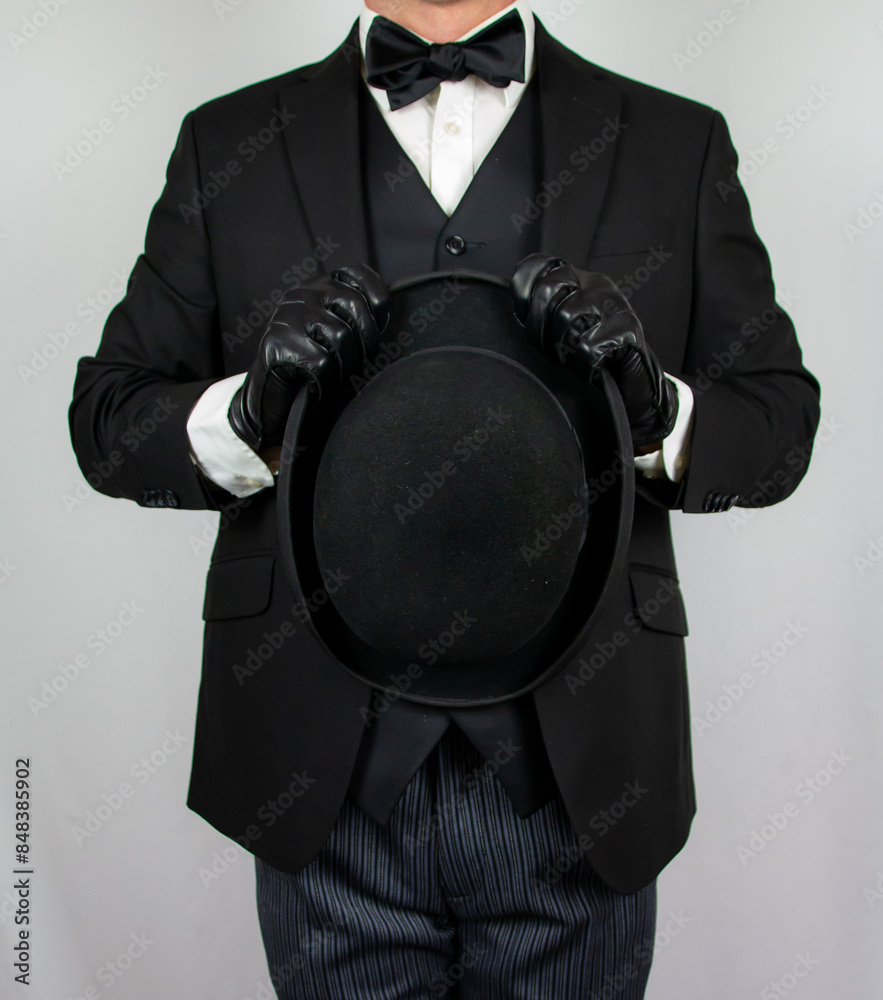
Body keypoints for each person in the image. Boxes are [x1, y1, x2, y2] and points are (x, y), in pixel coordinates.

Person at [69, 0, 820, 997]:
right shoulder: (230, 142)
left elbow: (779, 425)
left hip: (581, 779)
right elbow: (109, 421)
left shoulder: (675, 142)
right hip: (322, 776)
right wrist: (247, 409)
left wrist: (654, 407)